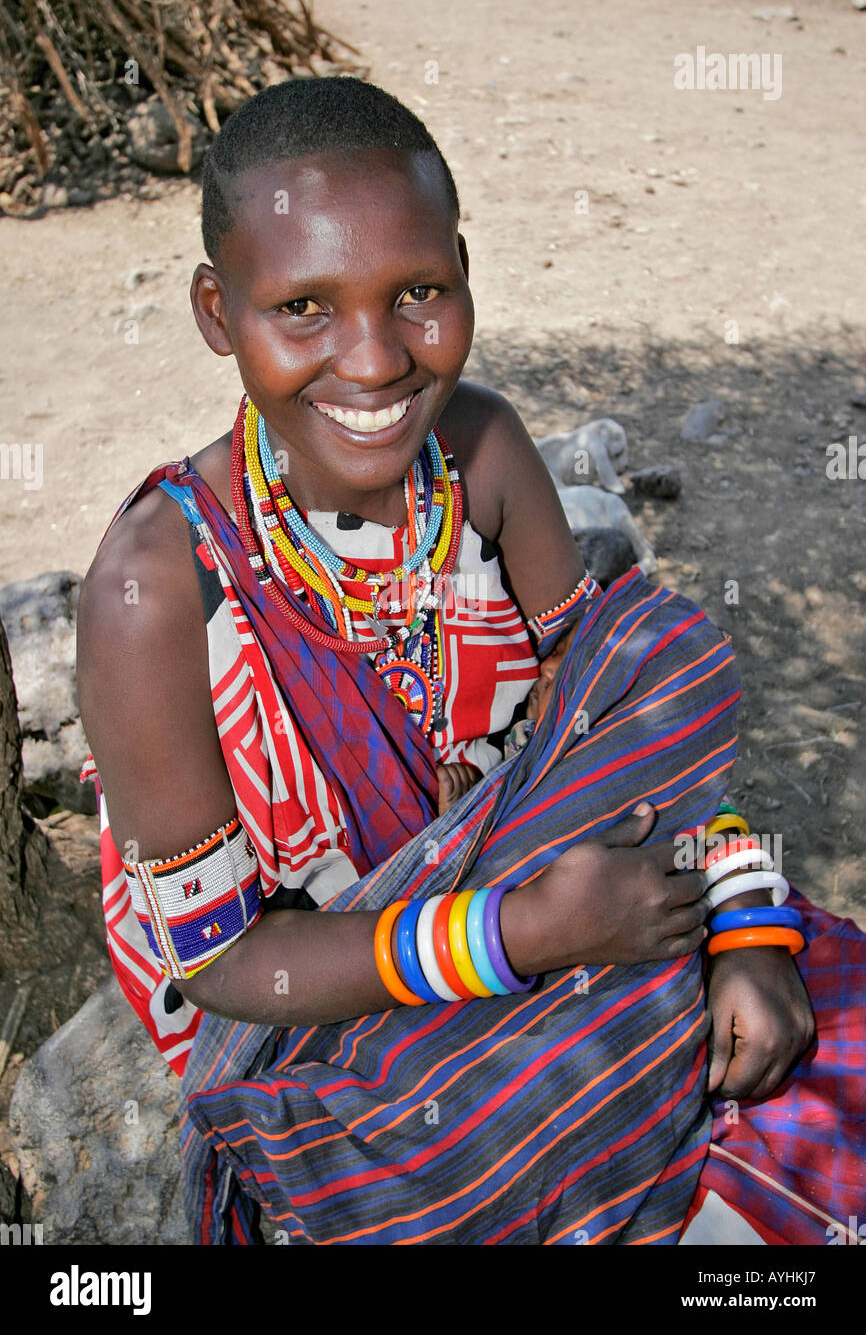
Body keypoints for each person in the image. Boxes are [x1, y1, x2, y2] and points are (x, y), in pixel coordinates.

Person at [77, 77, 864, 1245]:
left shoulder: (481, 457)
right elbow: (228, 965)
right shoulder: (154, 594)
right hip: (346, 1054)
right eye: (302, 307)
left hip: (573, 924)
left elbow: (633, 738)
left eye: (416, 293)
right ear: (214, 309)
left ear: (462, 270)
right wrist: (515, 935)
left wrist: (745, 927)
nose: (375, 359)